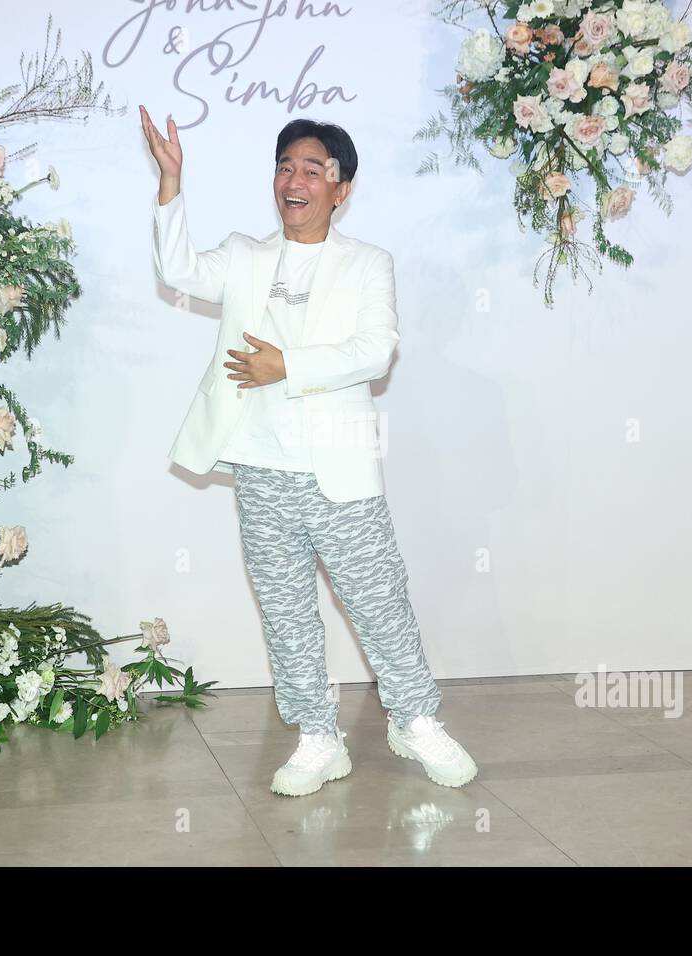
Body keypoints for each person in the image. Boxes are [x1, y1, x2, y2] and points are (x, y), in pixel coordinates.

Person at [139, 104, 477, 796]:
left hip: (340, 468)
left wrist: (286, 365)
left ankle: (414, 721)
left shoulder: (367, 264)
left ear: (340, 188)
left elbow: (375, 351)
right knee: (286, 609)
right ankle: (317, 737)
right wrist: (170, 182)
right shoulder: (244, 255)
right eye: (285, 166)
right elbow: (176, 269)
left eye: (312, 168)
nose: (294, 179)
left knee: (380, 602)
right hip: (262, 469)